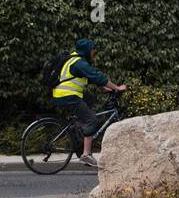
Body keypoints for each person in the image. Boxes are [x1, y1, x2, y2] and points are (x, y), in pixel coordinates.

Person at [52, 37, 126, 168]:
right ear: (86, 50)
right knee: (91, 119)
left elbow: (85, 78)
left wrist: (104, 87)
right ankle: (86, 155)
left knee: (90, 105)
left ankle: (78, 134)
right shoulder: (79, 63)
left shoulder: (73, 59)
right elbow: (96, 76)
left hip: (64, 95)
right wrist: (117, 87)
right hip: (68, 96)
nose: (94, 52)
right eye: (92, 49)